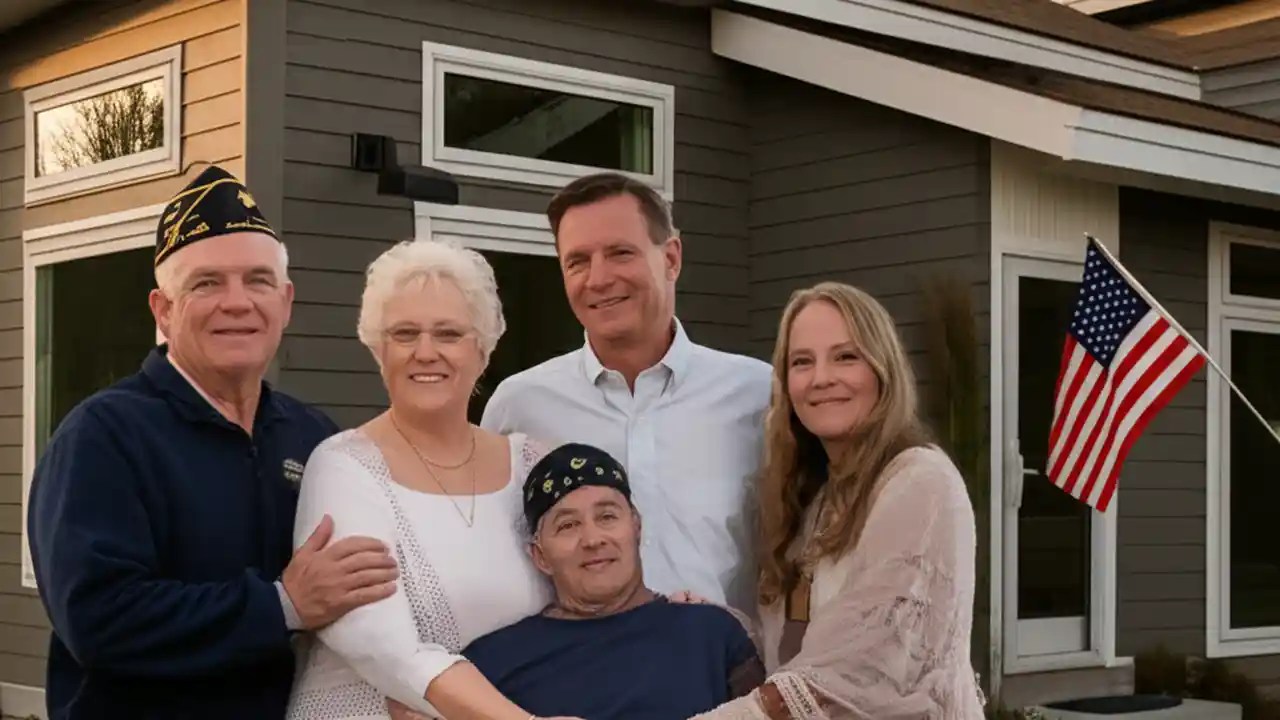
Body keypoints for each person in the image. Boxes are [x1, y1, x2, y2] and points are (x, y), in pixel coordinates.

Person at [26, 165, 399, 719]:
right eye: (206, 283)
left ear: (286, 302)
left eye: (258, 280)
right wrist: (281, 605)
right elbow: (98, 617)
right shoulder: (103, 437)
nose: (237, 302)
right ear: (163, 310)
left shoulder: (315, 436)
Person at [285, 239, 578, 720]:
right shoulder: (344, 467)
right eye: (404, 334)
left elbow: (586, 587)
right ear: (379, 350)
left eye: (448, 334)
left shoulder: (530, 464)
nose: (425, 352)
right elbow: (377, 640)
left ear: (482, 350)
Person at [481, 172, 771, 613]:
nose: (598, 278)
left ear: (671, 258)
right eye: (577, 261)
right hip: (577, 674)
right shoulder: (518, 407)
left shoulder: (759, 396)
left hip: (732, 672)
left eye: (620, 253)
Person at [694, 282, 984, 719]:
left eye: (846, 356)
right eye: (802, 362)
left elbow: (855, 669)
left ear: (882, 368)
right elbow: (800, 647)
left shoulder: (919, 482)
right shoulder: (815, 503)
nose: (822, 378)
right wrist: (714, 621)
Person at [459, 442, 764, 719]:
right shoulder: (489, 663)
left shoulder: (711, 633)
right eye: (568, 525)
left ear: (636, 526)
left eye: (607, 517)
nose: (592, 539)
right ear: (540, 555)